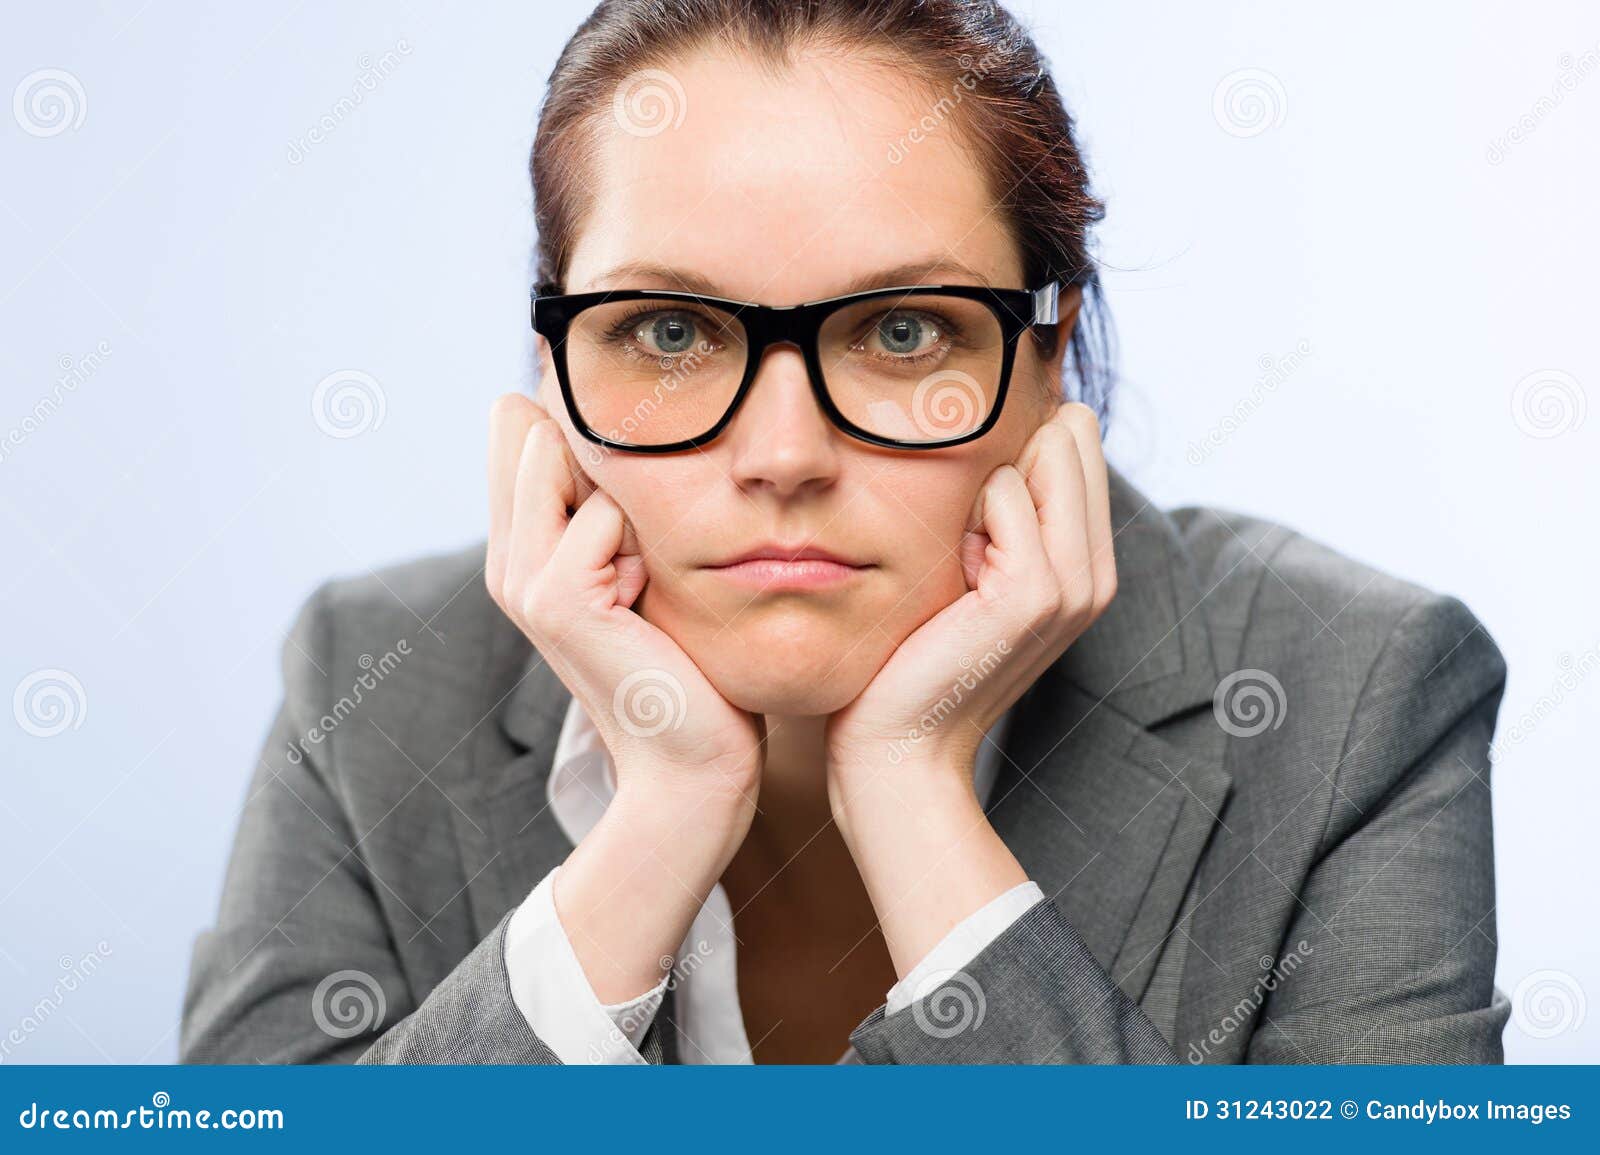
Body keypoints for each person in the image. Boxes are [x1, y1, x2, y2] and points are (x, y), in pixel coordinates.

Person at [181, 0, 1510, 1065]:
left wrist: (916, 801)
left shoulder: (1354, 693)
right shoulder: (369, 688)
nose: (782, 458)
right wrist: (660, 821)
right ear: (549, 375)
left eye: (901, 332)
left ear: (1048, 365)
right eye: (670, 333)